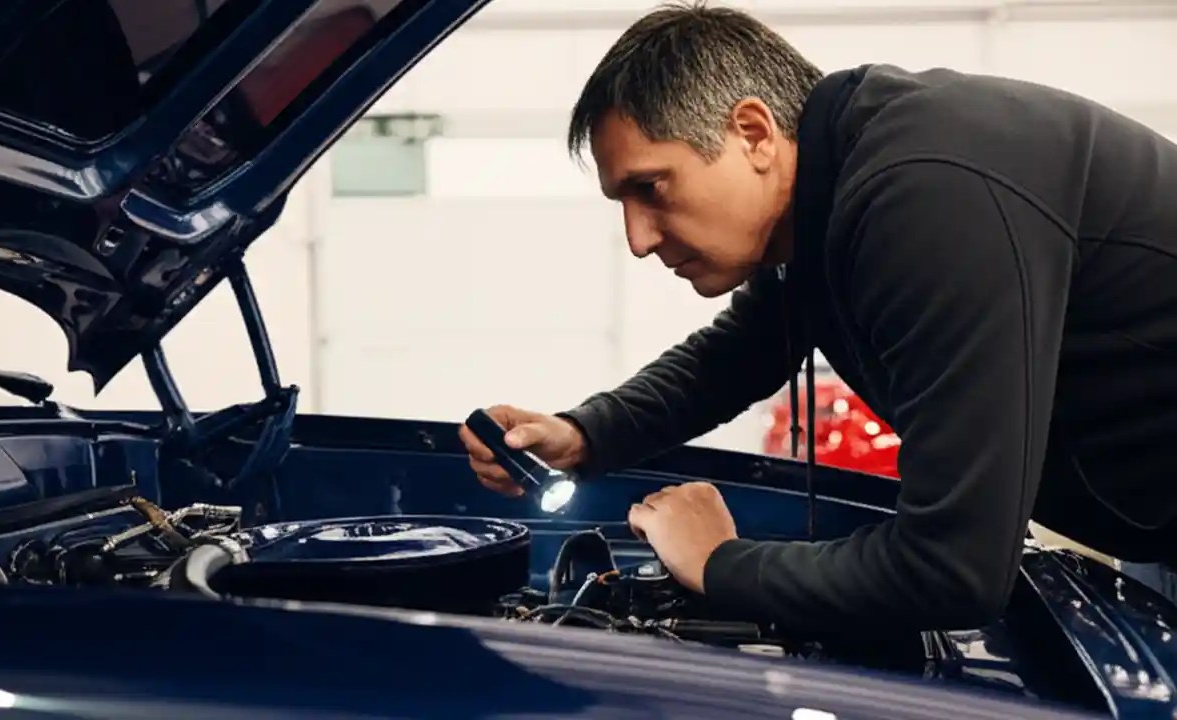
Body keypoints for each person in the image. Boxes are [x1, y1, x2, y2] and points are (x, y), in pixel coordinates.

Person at [458, 1, 1177, 632]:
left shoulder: (925, 195)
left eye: (651, 188)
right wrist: (583, 435)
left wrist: (720, 564)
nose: (639, 239)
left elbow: (953, 567)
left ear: (753, 133)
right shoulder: (836, 196)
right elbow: (740, 351)